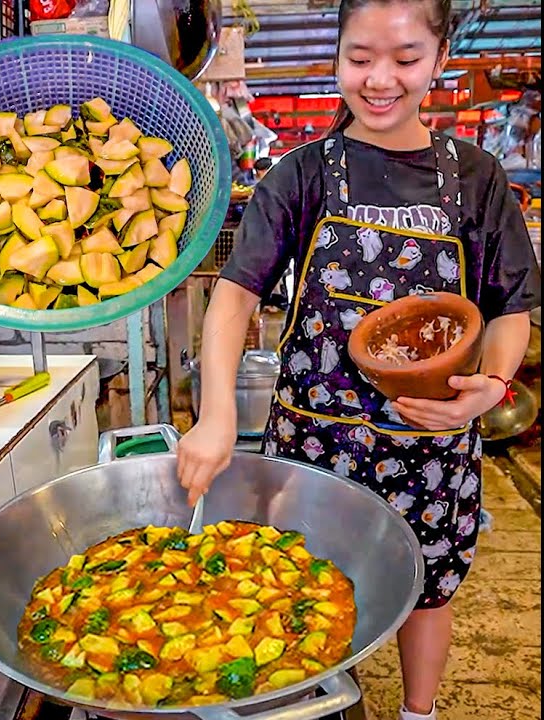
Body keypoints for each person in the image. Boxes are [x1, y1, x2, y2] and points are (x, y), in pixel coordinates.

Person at [175, 0, 541, 718]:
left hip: (430, 446)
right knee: (295, 591)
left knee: (428, 588)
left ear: (438, 60)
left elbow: (509, 309)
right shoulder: (302, 174)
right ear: (338, 56)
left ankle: (417, 712)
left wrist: (489, 388)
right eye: (360, 57)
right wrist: (217, 415)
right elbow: (233, 297)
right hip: (315, 446)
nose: (380, 79)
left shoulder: (476, 177)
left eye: (405, 59)